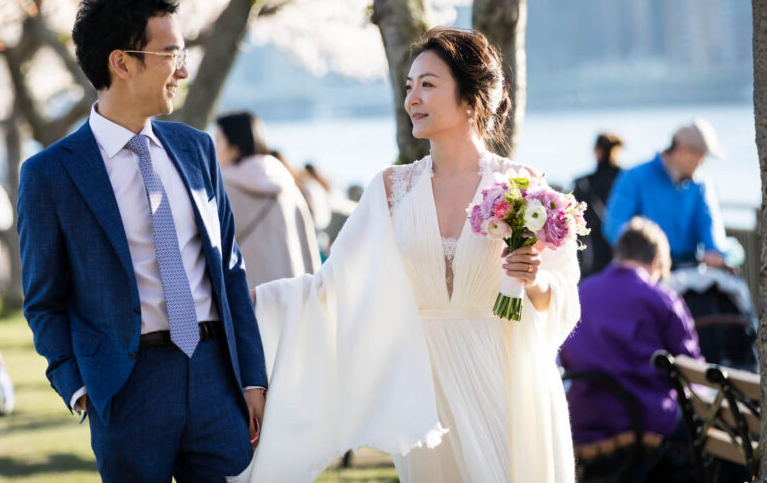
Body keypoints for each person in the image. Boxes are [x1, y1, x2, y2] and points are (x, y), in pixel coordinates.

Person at [237, 27, 580, 482]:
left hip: (508, 380)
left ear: (471, 98)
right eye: (409, 86)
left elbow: (563, 295)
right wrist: (254, 303)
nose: (412, 98)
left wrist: (533, 280)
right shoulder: (391, 190)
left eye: (428, 85)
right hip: (423, 389)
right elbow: (330, 287)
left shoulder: (522, 185)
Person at [17, 0, 267, 482]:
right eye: (170, 54)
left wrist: (252, 377)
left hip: (217, 377)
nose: (183, 70)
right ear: (122, 63)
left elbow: (230, 270)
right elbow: (44, 299)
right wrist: (79, 386)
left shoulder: (196, 150)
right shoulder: (50, 174)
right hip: (125, 388)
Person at [559, 217, 701, 449]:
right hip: (645, 420)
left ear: (619, 253)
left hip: (582, 420)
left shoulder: (580, 293)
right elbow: (691, 368)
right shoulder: (661, 299)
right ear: (656, 263)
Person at [603, 119, 727, 269]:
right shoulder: (636, 176)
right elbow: (613, 224)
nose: (702, 163)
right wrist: (636, 253)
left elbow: (709, 223)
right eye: (701, 156)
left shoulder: (700, 184)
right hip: (646, 268)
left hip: (688, 269)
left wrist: (714, 251)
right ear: (682, 150)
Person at [215, 112, 321, 288]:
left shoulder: (223, 189)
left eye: (218, 141)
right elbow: (308, 247)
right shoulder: (286, 183)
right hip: (294, 295)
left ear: (235, 146)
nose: (213, 148)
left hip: (251, 300)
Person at [572, 133, 624, 277]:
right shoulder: (626, 180)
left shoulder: (584, 183)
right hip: (623, 248)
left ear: (598, 151)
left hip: (594, 253)